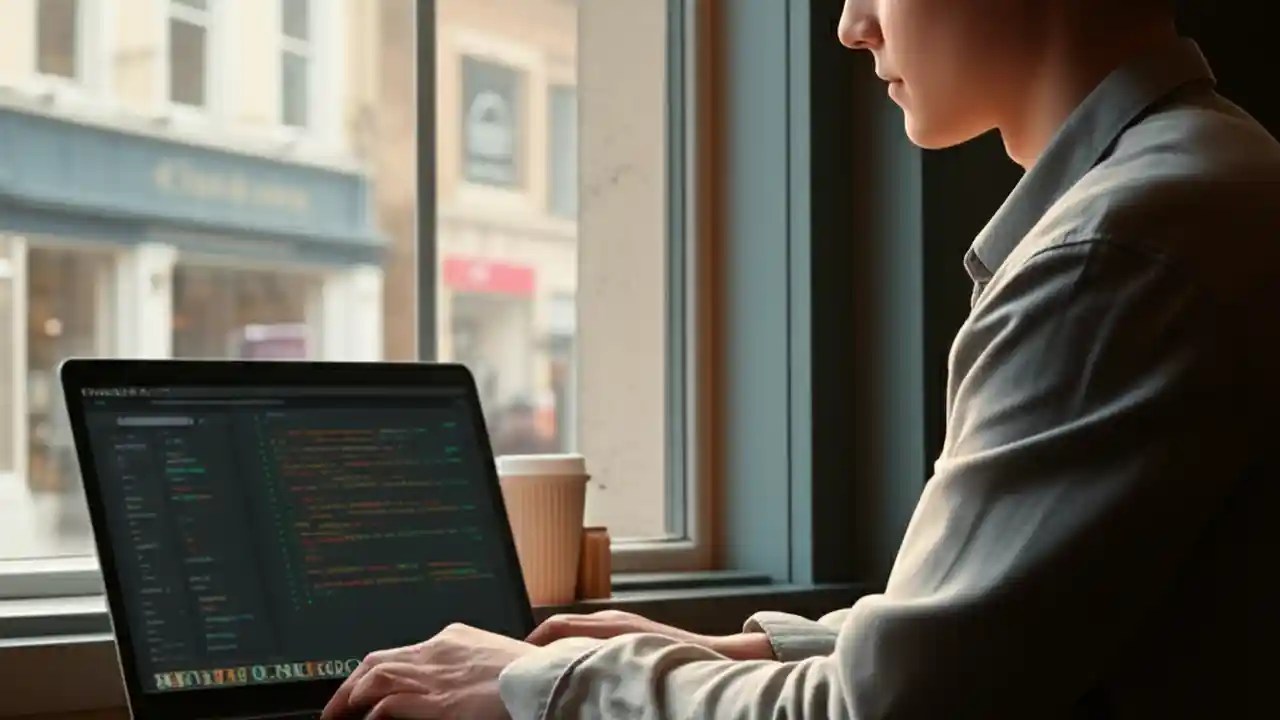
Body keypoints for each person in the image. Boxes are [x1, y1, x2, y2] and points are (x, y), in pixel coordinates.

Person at [323, 0, 1280, 717]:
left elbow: (882, 712)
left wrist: (540, 687)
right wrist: (745, 649)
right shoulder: (1214, 175)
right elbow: (1004, 635)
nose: (851, 26)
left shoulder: (1114, 250)